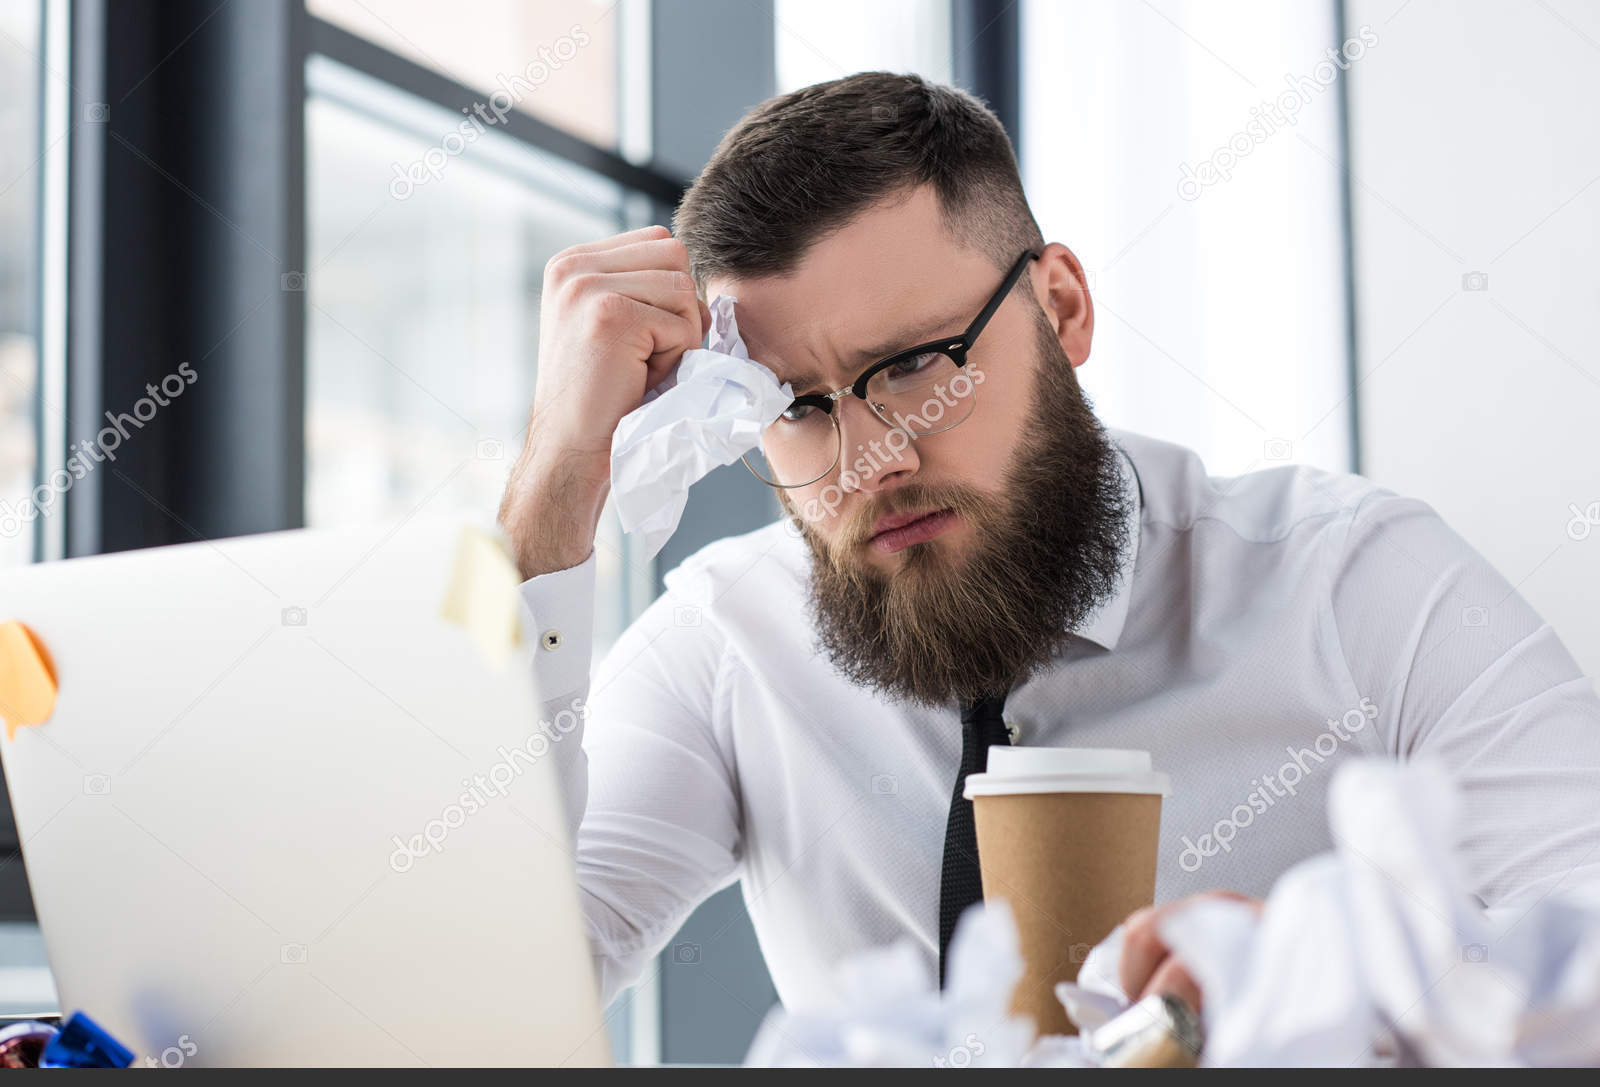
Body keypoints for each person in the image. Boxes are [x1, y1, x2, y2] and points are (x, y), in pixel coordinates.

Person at [498, 71, 1600, 1020]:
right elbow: (483, 992)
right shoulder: (726, 645)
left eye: (919, 365)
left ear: (1062, 308)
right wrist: (552, 487)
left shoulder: (1356, 585)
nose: (868, 458)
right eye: (793, 405)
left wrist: (1336, 993)